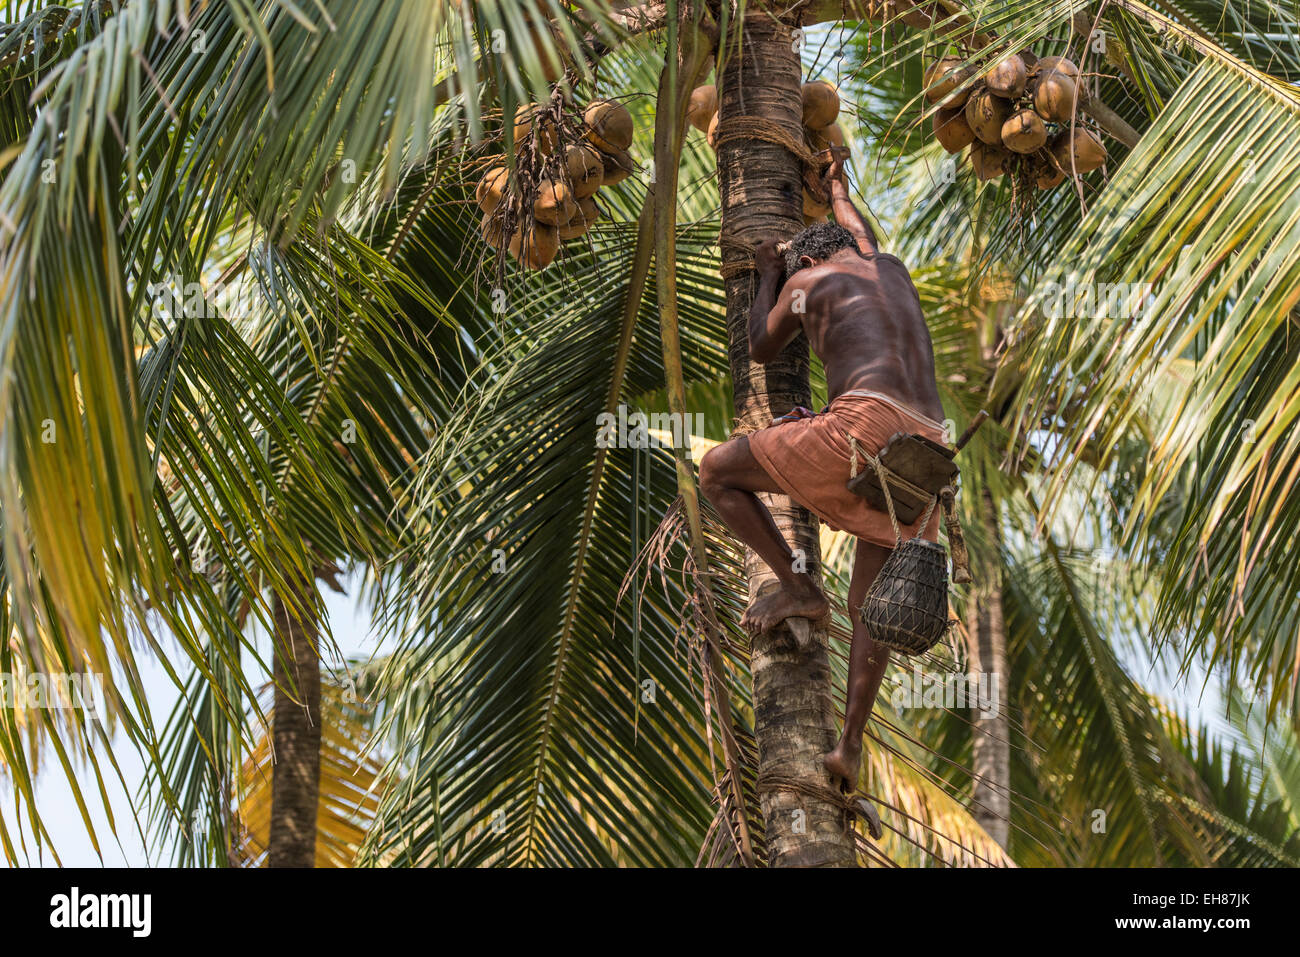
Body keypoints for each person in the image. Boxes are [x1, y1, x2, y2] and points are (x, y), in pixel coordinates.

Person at [697, 151, 946, 790]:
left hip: (862, 427)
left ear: (808, 262)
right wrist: (836, 187)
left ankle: (798, 585)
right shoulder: (888, 268)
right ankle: (850, 747)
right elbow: (860, 233)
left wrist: (768, 274)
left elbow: (760, 345)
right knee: (872, 606)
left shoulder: (808, 284)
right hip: (929, 448)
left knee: (718, 473)